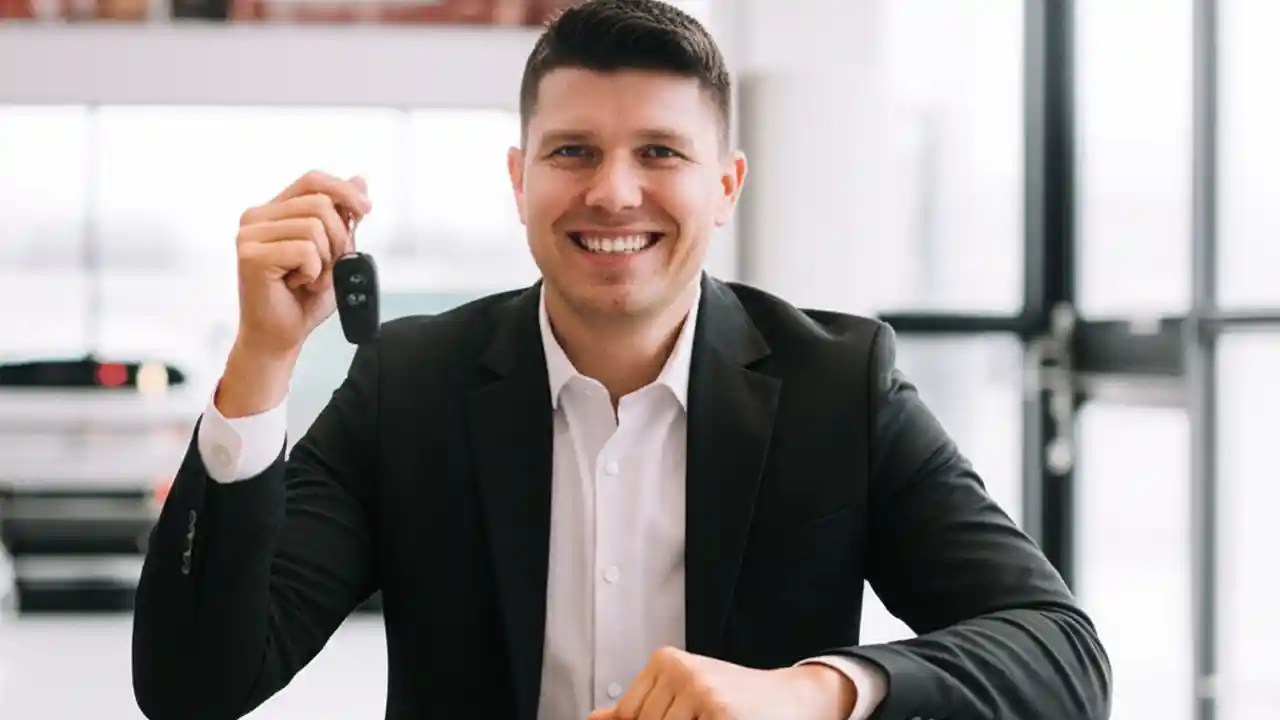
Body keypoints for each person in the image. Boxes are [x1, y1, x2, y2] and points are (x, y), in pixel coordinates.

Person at [131, 1, 1112, 718]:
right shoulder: (410, 386)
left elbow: (1058, 654)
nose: (612, 193)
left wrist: (811, 693)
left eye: (659, 152)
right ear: (517, 181)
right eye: (570, 152)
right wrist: (260, 361)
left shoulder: (836, 385)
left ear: (723, 184)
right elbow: (192, 687)